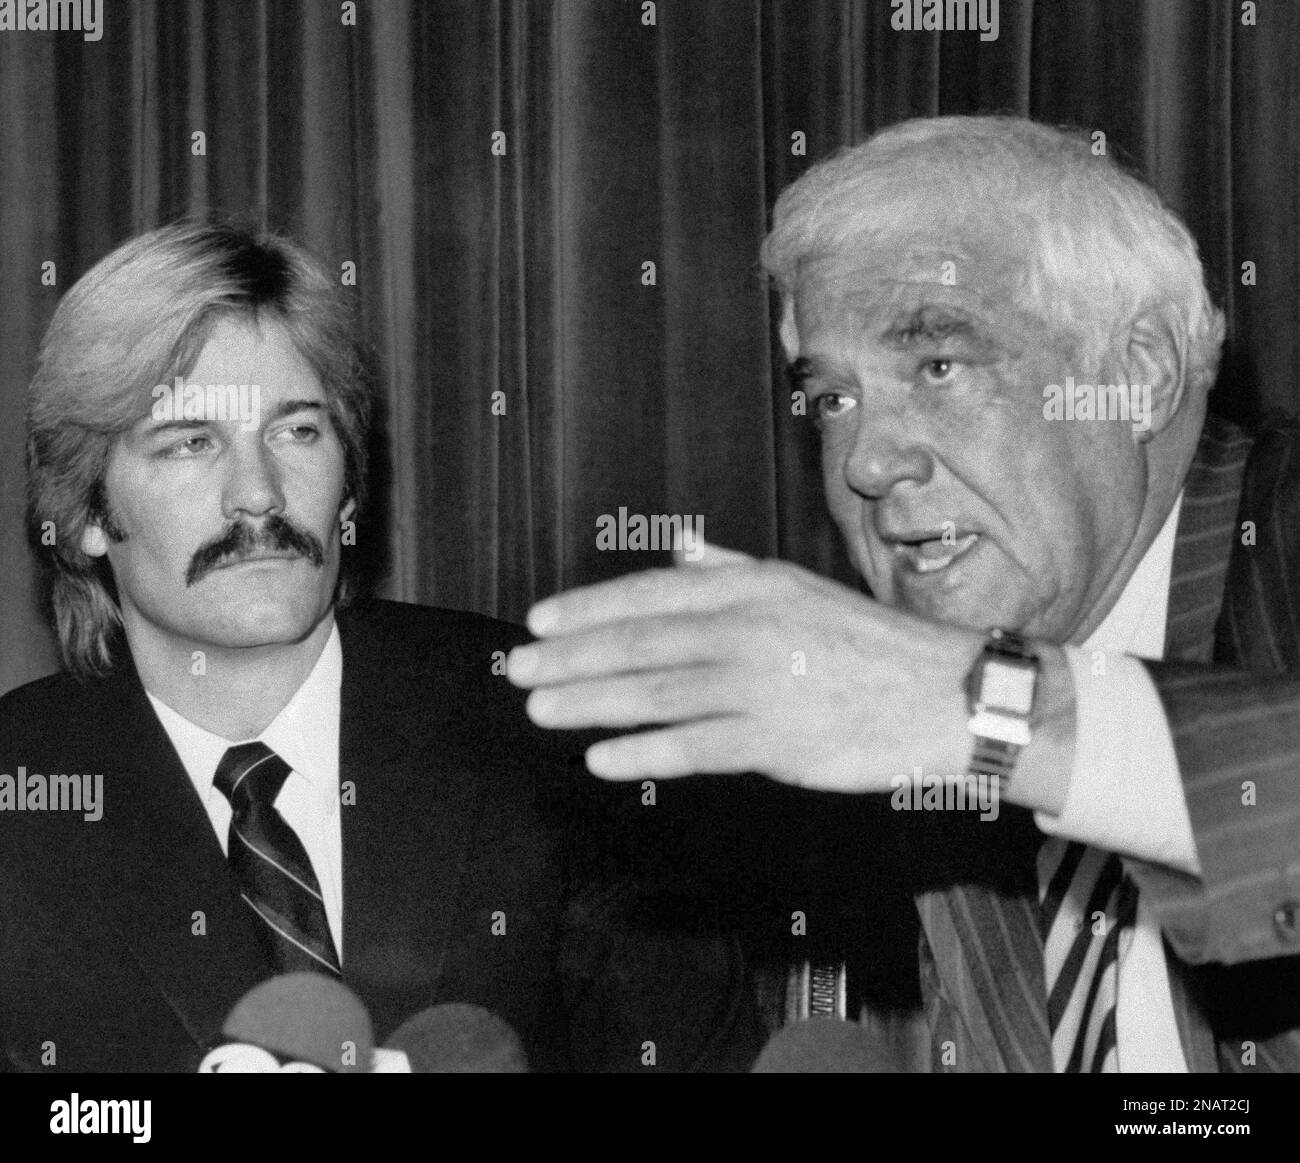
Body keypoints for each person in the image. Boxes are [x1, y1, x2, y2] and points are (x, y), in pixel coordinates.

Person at [508, 115, 1300, 1072]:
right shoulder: (923, 715)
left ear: (1139, 372)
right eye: (835, 398)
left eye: (939, 365)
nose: (869, 462)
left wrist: (995, 708)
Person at [0, 220, 755, 1073]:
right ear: (90, 513)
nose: (257, 494)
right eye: (191, 442)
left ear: (349, 479)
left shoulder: (550, 730)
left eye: (297, 431)